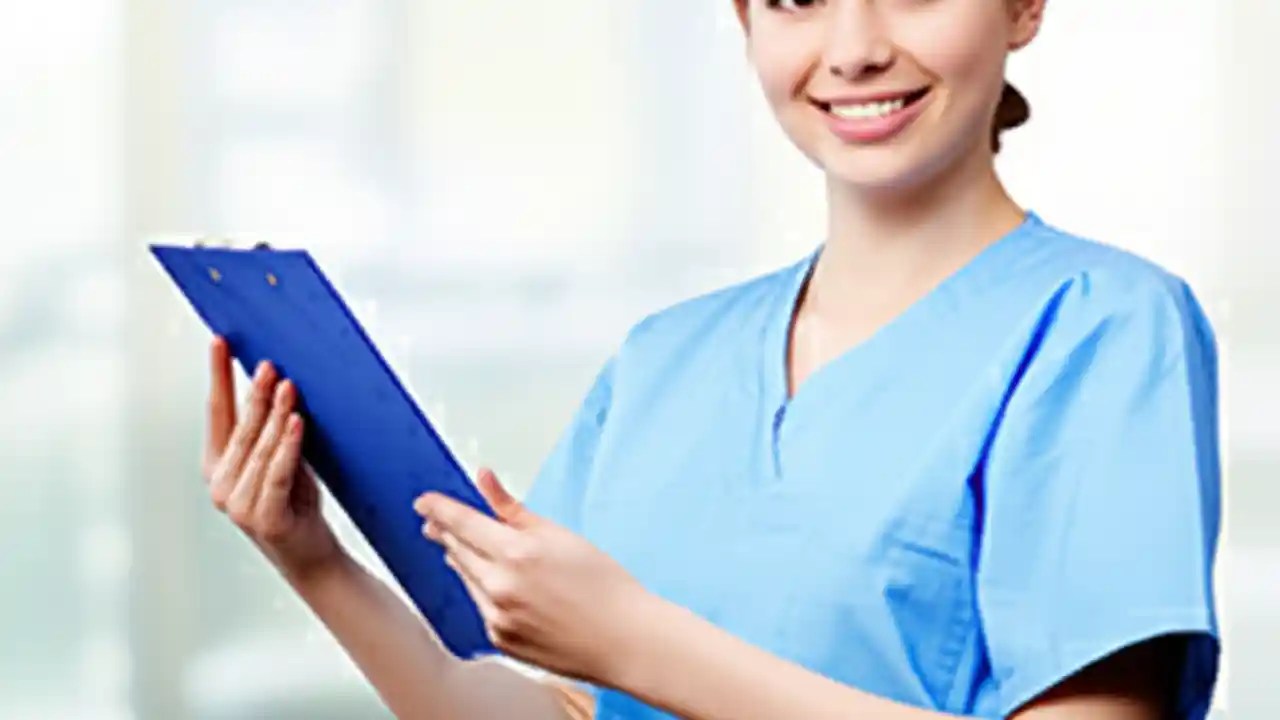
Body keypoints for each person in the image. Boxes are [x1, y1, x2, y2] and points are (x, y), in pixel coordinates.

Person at [199, 0, 1221, 717]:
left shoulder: (1101, 328)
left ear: (1021, 6)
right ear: (744, 21)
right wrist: (314, 558)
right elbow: (561, 712)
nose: (854, 48)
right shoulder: (664, 362)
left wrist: (633, 639)